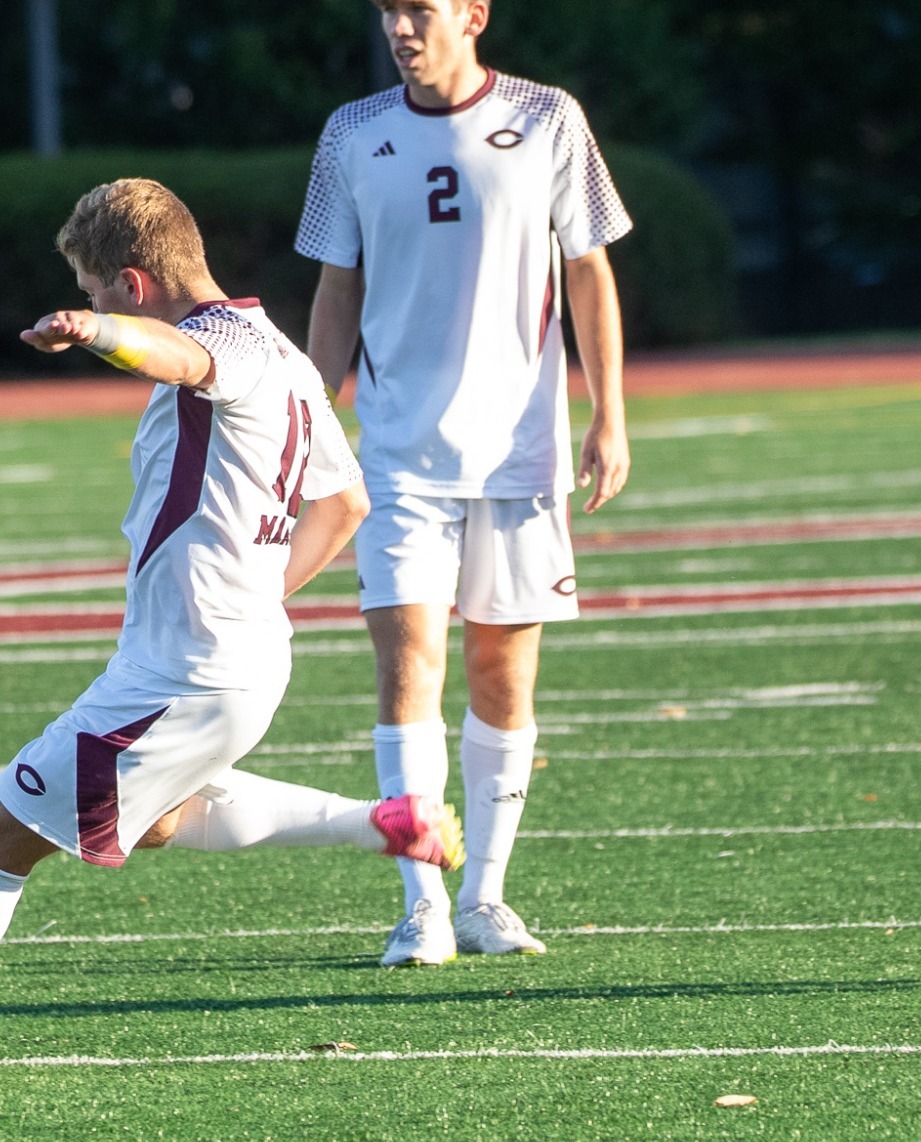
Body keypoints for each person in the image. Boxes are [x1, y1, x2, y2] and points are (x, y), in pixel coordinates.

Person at [0, 178, 463, 1087]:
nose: (98, 306)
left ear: (134, 284)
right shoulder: (290, 358)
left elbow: (176, 355)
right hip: (233, 660)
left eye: (102, 291)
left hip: (184, 669)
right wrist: (257, 593)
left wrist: (93, 332)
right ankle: (382, 822)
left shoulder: (223, 347)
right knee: (163, 817)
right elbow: (345, 505)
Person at [299, 0, 633, 965]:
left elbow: (589, 269)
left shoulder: (548, 116)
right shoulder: (352, 133)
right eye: (389, 10)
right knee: (409, 669)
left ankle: (485, 897)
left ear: (473, 15)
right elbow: (335, 286)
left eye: (421, 8)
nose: (401, 26)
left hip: (520, 455)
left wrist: (609, 412)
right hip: (398, 454)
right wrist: (318, 420)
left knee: (502, 672)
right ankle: (421, 905)